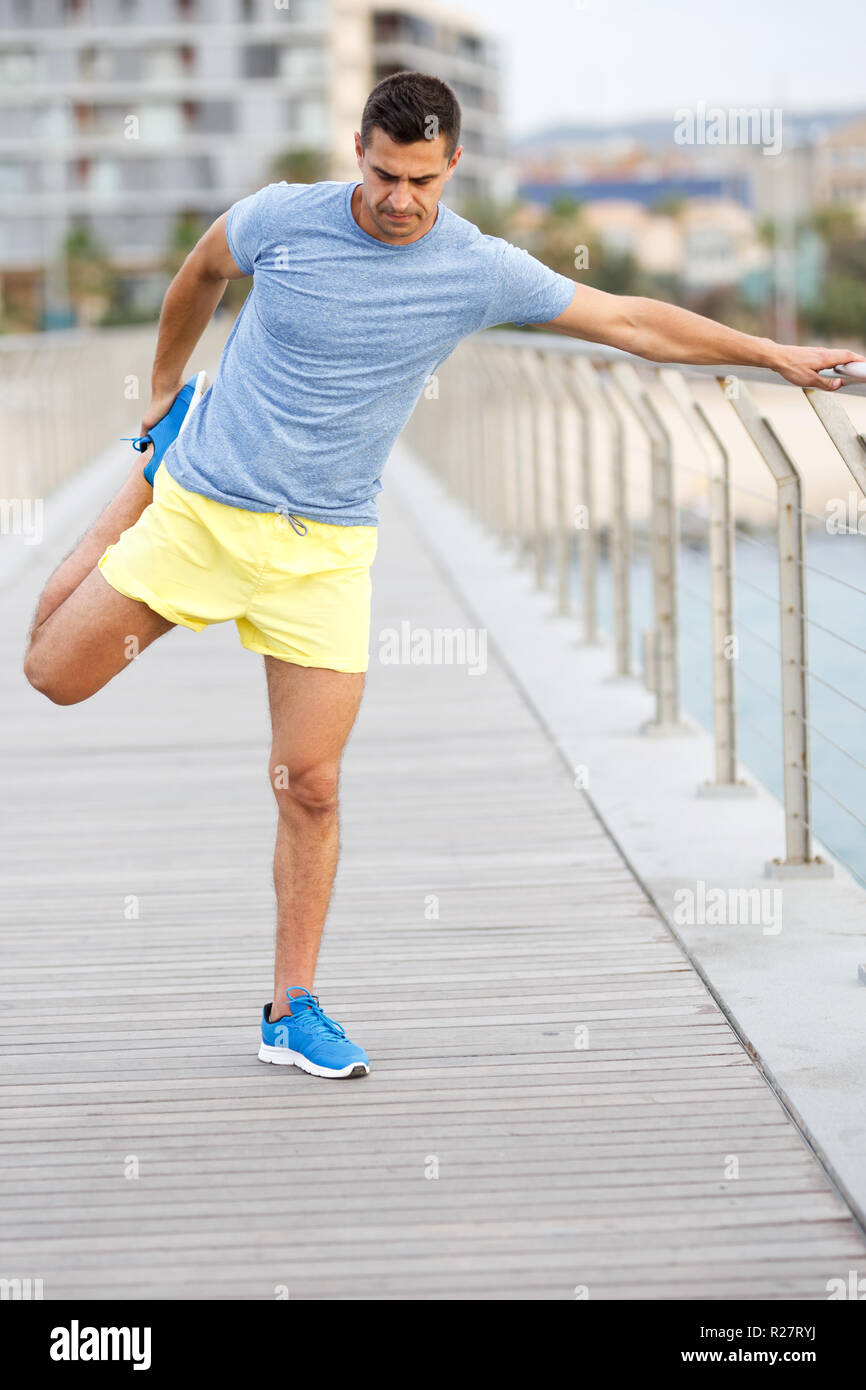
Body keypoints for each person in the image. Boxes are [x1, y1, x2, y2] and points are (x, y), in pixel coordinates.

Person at [23, 70, 863, 1079]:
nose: (398, 199)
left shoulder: (475, 268)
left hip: (325, 550)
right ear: (357, 150)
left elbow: (630, 323)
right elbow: (200, 272)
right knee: (52, 674)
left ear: (452, 165)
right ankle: (145, 475)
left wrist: (767, 351)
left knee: (313, 785)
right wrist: (164, 396)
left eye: (420, 180)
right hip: (202, 510)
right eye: (382, 174)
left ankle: (292, 1007)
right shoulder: (279, 221)